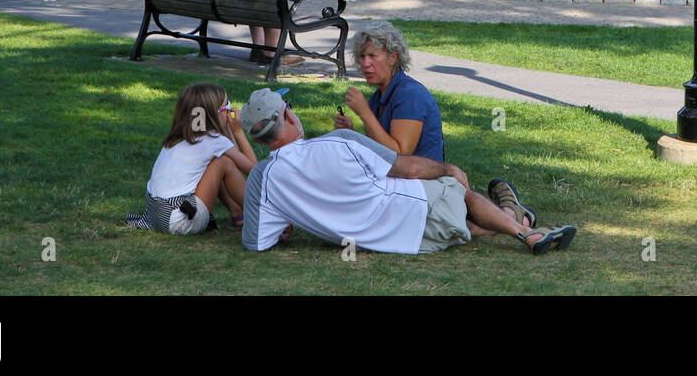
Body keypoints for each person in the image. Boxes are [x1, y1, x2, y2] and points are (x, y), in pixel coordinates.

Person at [240, 89, 576, 255]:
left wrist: (288, 223)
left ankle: (514, 216)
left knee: (462, 224)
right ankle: (525, 233)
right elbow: (409, 167)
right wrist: (449, 169)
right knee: (458, 192)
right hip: (412, 210)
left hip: (398, 244)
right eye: (291, 108)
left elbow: (256, 243)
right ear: (286, 116)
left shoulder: (261, 180)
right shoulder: (338, 141)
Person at [126, 82, 258, 233]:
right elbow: (253, 168)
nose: (229, 109)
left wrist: (227, 128)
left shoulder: (180, 136)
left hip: (155, 215)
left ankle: (237, 212)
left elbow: (230, 152)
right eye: (226, 105)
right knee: (223, 162)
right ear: (214, 114)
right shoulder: (214, 141)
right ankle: (258, 214)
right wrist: (238, 132)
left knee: (215, 163)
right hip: (179, 220)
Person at [333, 22, 444, 160]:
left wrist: (365, 113)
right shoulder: (379, 96)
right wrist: (351, 133)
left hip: (422, 178)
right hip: (398, 177)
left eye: (372, 56)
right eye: (362, 56)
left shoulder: (411, 95)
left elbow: (400, 155)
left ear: (393, 58)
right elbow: (379, 150)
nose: (365, 63)